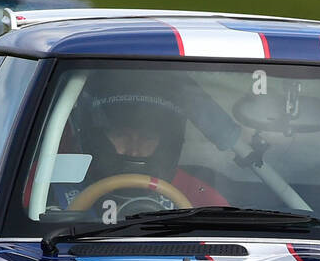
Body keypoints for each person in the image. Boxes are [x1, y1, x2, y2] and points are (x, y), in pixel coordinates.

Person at [73, 76, 229, 209]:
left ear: (167, 142)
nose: (133, 150)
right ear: (98, 137)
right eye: (120, 136)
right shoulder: (62, 190)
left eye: (147, 138)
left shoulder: (198, 195)